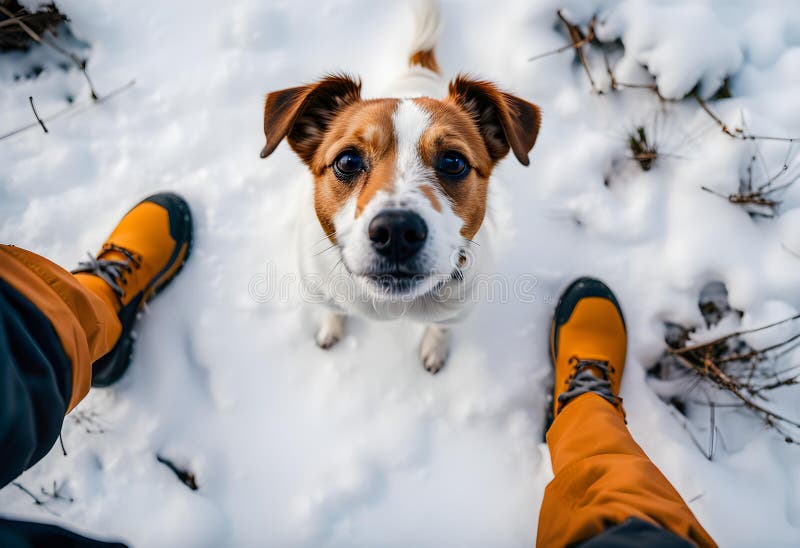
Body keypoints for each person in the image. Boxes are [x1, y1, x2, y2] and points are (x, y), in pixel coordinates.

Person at [0, 193, 715, 546]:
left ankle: (85, 311)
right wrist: (333, 310)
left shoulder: (465, 257)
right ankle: (588, 414)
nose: (396, 218)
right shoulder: (320, 260)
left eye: (453, 166)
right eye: (348, 167)